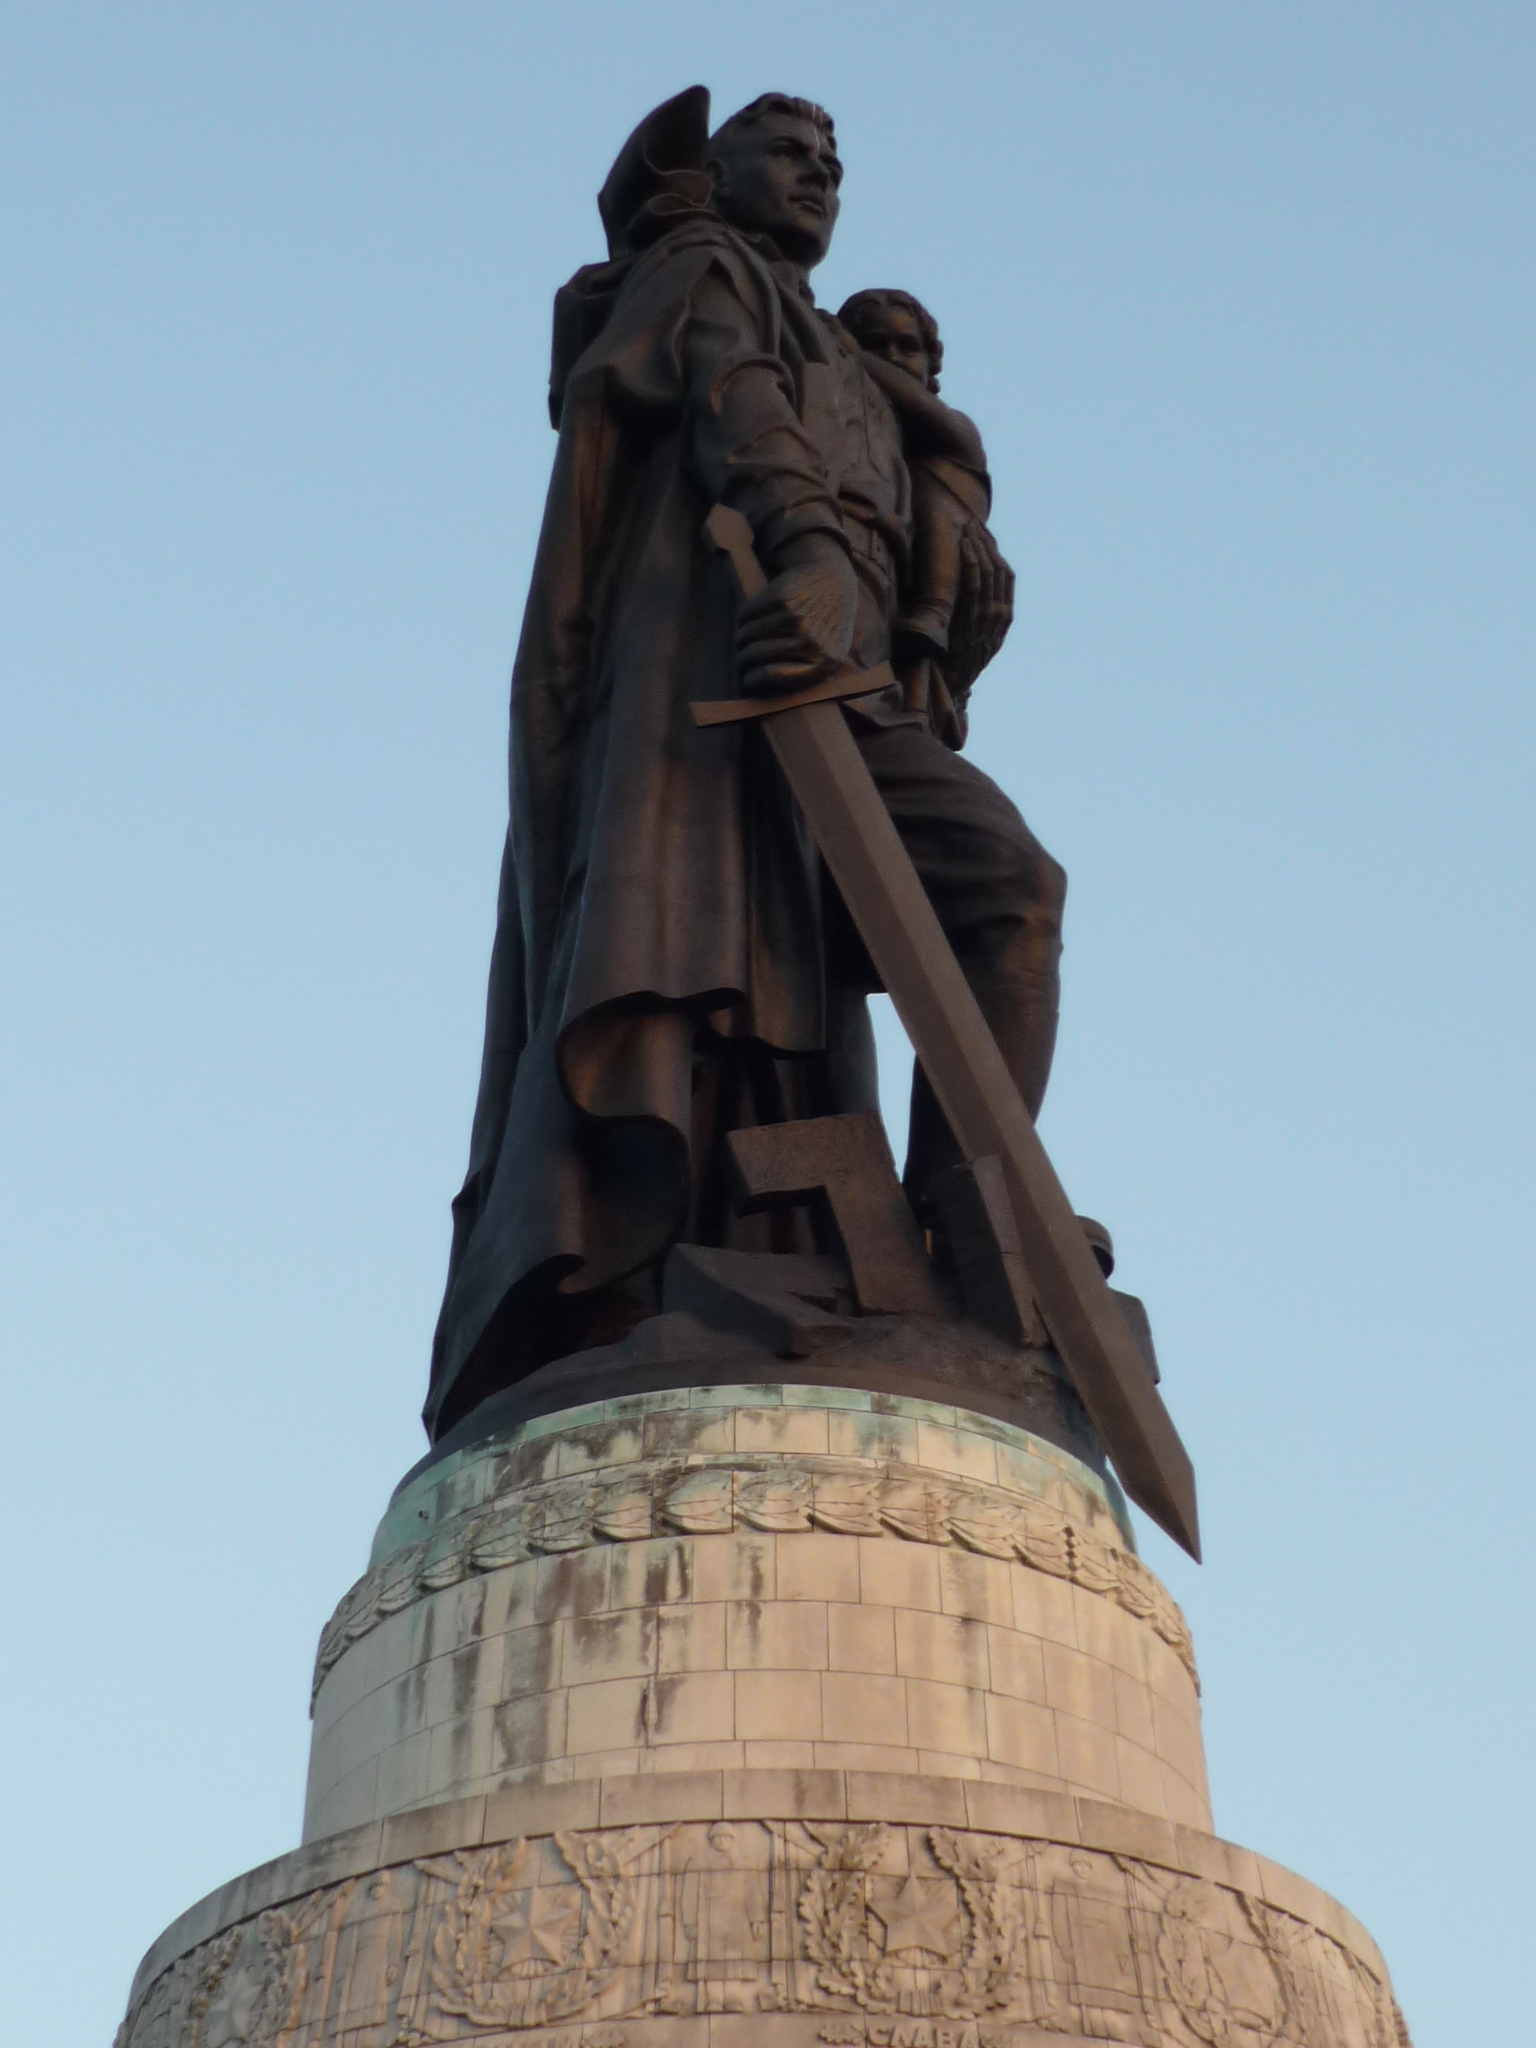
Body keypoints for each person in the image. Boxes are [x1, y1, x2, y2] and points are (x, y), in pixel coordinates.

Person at [424, 87, 1066, 1440]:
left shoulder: (858, 358)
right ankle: (681, 1256)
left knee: (982, 901)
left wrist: (934, 619)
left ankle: (962, 1225)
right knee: (932, 904)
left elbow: (887, 497)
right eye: (791, 151)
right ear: (719, 174)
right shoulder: (706, 272)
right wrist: (818, 551)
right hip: (729, 666)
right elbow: (735, 402)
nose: (822, 173)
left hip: (845, 680)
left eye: (838, 158)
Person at [835, 286, 1002, 747]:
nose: (891, 357)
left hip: (948, 521)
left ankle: (934, 612)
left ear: (931, 367)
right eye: (874, 343)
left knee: (939, 516)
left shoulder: (952, 427)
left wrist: (844, 349)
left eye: (906, 347)